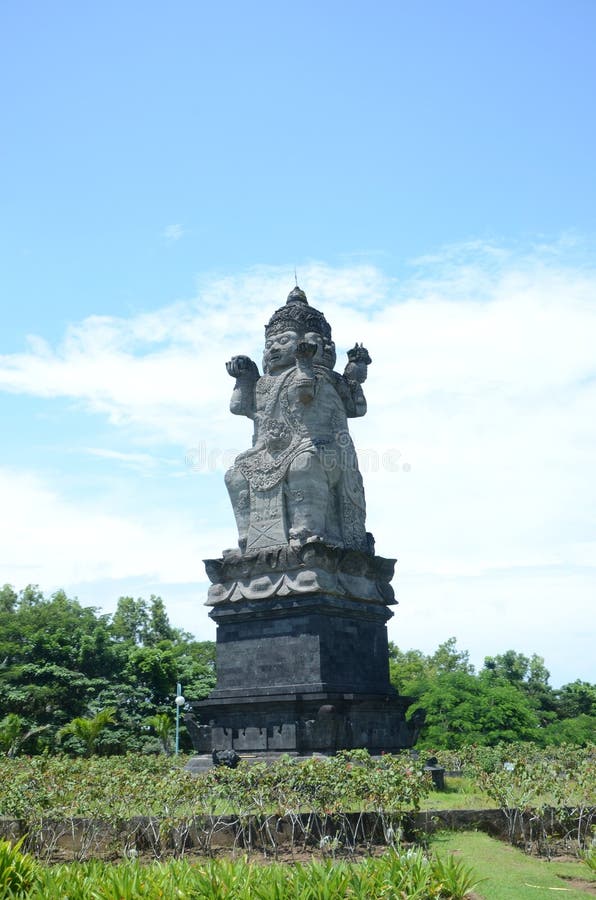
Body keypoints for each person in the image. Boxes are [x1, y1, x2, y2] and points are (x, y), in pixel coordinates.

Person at [224, 287, 372, 554]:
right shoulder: (265, 383)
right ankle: (250, 540)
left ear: (311, 343)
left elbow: (328, 401)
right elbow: (239, 407)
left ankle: (307, 532)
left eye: (284, 341)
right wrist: (243, 378)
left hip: (321, 448)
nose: (274, 349)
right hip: (270, 453)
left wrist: (307, 365)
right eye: (270, 345)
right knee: (235, 474)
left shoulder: (325, 376)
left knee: (304, 463)